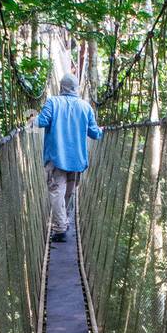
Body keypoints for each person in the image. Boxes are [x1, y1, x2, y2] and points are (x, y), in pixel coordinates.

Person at [36, 72, 103, 241]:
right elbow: (95, 134)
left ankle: (60, 229)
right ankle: (63, 221)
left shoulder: (53, 102)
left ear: (61, 87)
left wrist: (30, 119)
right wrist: (102, 130)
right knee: (68, 192)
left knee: (57, 192)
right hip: (77, 160)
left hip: (56, 158)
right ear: (76, 88)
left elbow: (41, 122)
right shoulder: (86, 107)